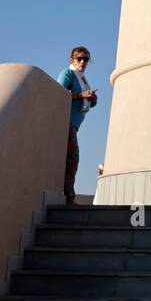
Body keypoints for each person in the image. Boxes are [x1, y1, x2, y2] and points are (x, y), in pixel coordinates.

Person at [57, 47, 98, 205]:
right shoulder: (67, 74)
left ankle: (68, 195)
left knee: (70, 158)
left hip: (75, 124)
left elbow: (89, 102)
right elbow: (59, 93)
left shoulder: (83, 79)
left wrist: (92, 99)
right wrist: (81, 95)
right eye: (79, 58)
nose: (82, 62)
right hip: (66, 121)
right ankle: (69, 197)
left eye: (86, 59)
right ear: (71, 60)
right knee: (74, 157)